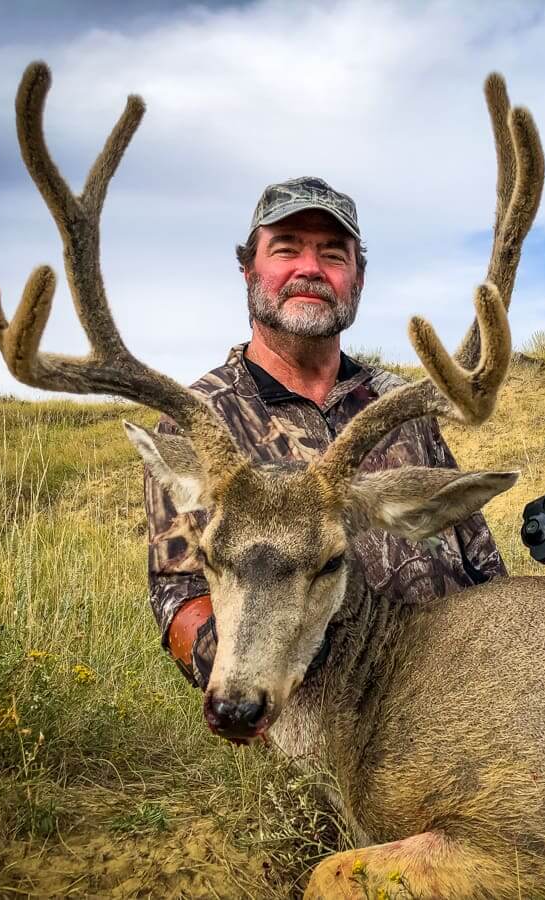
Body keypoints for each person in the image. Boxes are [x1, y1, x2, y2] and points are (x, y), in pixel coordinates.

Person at [143, 176, 507, 687]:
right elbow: (179, 592)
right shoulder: (200, 419)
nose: (309, 269)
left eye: (334, 255)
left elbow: (478, 555)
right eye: (286, 249)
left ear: (357, 279)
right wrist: (252, 693)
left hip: (458, 691)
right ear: (248, 270)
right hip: (316, 713)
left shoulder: (402, 405)